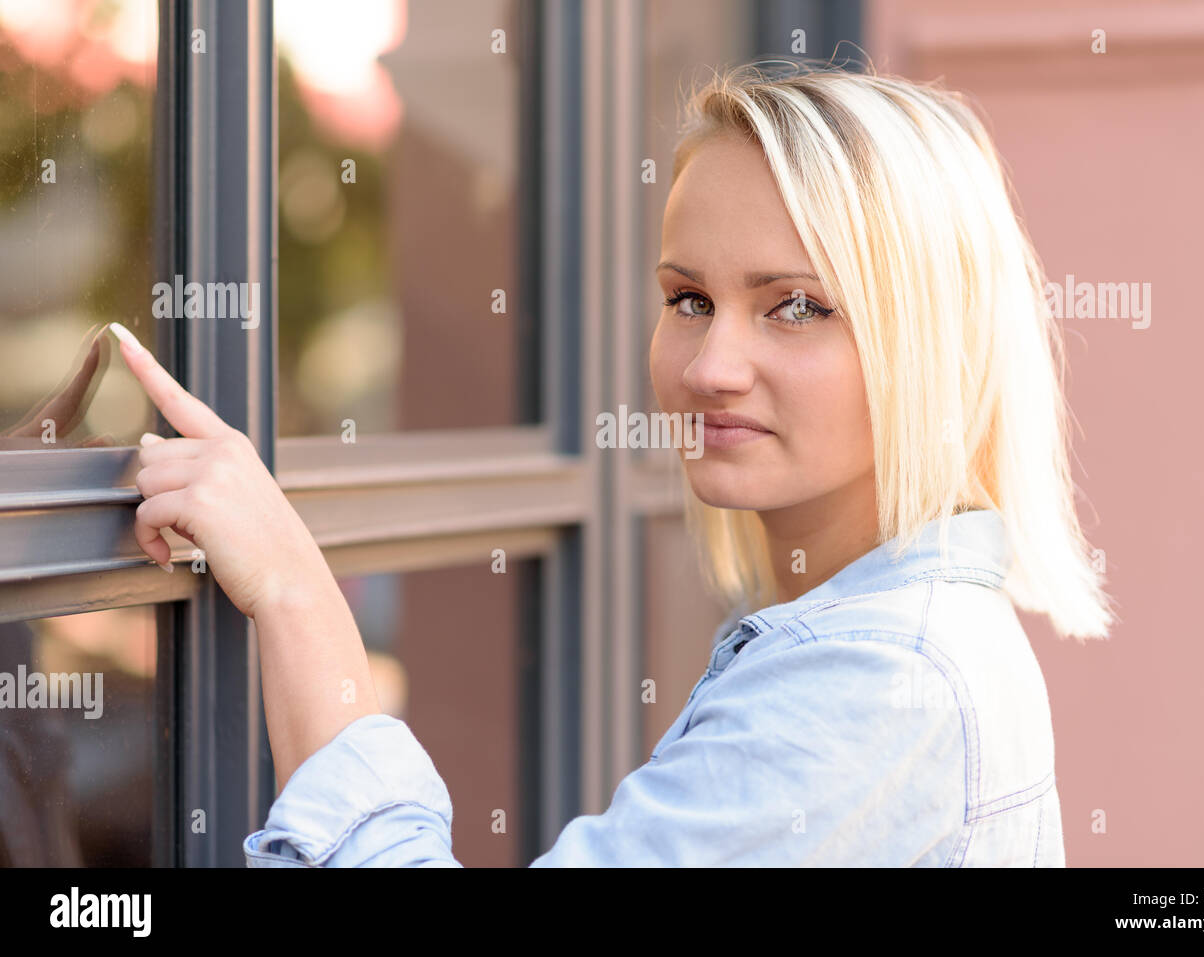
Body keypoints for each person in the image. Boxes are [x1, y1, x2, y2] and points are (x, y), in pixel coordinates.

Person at [108, 59, 1112, 867]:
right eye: (687, 299)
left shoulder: (878, 683)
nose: (712, 366)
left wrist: (291, 589)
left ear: (932, 340)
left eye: (795, 306)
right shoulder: (911, 636)